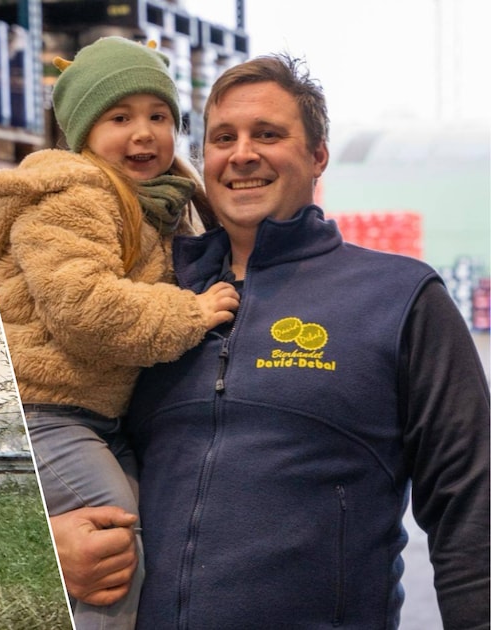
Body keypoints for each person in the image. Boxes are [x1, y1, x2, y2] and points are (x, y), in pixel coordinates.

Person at [61, 52, 491, 629]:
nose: (242, 154)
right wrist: (52, 538)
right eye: (223, 138)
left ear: (318, 156)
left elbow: (471, 503)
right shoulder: (147, 304)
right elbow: (55, 427)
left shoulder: (398, 298)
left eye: (267, 134)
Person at [0, 36, 239, 629]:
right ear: (83, 131)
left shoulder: (159, 201)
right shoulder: (72, 194)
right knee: (111, 538)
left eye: (159, 116)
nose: (143, 133)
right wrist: (191, 313)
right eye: (120, 118)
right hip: (42, 410)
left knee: (149, 534)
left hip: (95, 416)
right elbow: (83, 308)